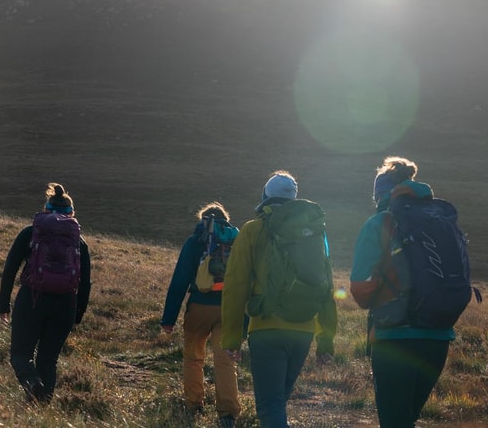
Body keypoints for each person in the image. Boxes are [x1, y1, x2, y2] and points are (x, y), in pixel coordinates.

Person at [220, 171, 338, 428]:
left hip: (266, 329)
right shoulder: (316, 234)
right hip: (304, 331)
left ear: (265, 198)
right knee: (278, 403)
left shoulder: (253, 230)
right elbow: (326, 285)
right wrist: (326, 338)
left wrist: (231, 337)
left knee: (270, 405)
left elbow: (236, 285)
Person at [349, 156, 458, 428]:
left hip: (394, 337)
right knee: (406, 418)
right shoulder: (440, 219)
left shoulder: (379, 223)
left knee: (394, 422)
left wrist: (376, 296)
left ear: (379, 194)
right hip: (438, 335)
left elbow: (360, 287)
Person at [0, 182, 92, 403]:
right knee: (48, 361)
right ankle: (41, 407)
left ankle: (32, 383)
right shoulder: (79, 242)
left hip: (31, 300)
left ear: (46, 210)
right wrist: (77, 314)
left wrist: (3, 305)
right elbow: (85, 282)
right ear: (71, 213)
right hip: (65, 305)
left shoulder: (30, 233)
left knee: (20, 355)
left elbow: (10, 270)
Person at [161, 202, 241, 427]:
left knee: (194, 358)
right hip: (228, 308)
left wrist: (168, 319)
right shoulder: (237, 241)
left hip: (198, 307)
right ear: (226, 219)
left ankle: (194, 404)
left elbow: (179, 281)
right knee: (225, 361)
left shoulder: (195, 241)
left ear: (202, 220)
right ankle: (228, 413)